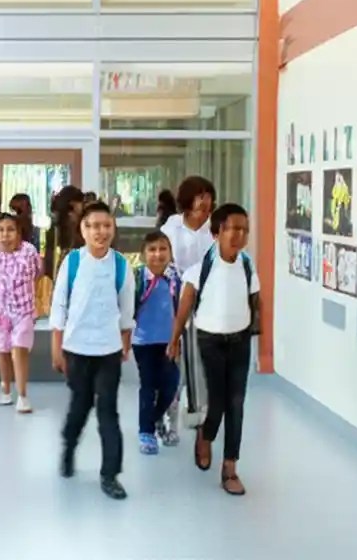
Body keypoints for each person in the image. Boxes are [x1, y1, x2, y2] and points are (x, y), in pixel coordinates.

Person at [167, 204, 260, 496]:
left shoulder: (247, 266)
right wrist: (173, 340)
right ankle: (205, 437)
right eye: (233, 228)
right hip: (209, 341)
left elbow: (256, 303)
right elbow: (183, 311)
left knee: (236, 404)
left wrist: (260, 335)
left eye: (244, 229)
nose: (239, 234)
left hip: (240, 341)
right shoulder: (199, 270)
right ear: (217, 232)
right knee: (217, 402)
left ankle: (230, 467)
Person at [50, 201, 135, 500]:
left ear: (113, 229)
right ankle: (69, 446)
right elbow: (59, 307)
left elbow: (126, 312)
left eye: (106, 226)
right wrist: (56, 348)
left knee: (108, 411)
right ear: (83, 230)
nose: (101, 231)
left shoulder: (122, 266)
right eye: (94, 226)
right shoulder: (72, 263)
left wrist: (124, 344)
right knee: (80, 405)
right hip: (76, 349)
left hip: (109, 351)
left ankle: (110, 474)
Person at [159, 176, 217, 432]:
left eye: (208, 196)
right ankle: (166, 409)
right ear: (187, 200)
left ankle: (198, 408)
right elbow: (161, 262)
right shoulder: (172, 227)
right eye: (199, 196)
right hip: (175, 297)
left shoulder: (216, 228)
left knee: (201, 356)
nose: (204, 202)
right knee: (173, 355)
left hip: (206, 299)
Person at [131, 231, 183, 453]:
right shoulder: (137, 278)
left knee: (171, 385)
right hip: (143, 342)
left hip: (170, 342)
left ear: (170, 253)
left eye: (163, 249)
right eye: (152, 249)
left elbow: (182, 308)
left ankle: (155, 418)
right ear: (143, 255)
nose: (158, 254)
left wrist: (178, 336)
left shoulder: (176, 278)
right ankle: (146, 432)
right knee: (149, 386)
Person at [0, 212, 42, 412]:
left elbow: (38, 272)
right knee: (2, 351)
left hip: (23, 310)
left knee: (19, 349)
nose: (5, 235)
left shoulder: (28, 251)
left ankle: (22, 394)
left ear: (19, 233)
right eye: (0, 230)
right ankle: (5, 388)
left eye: (11, 230)